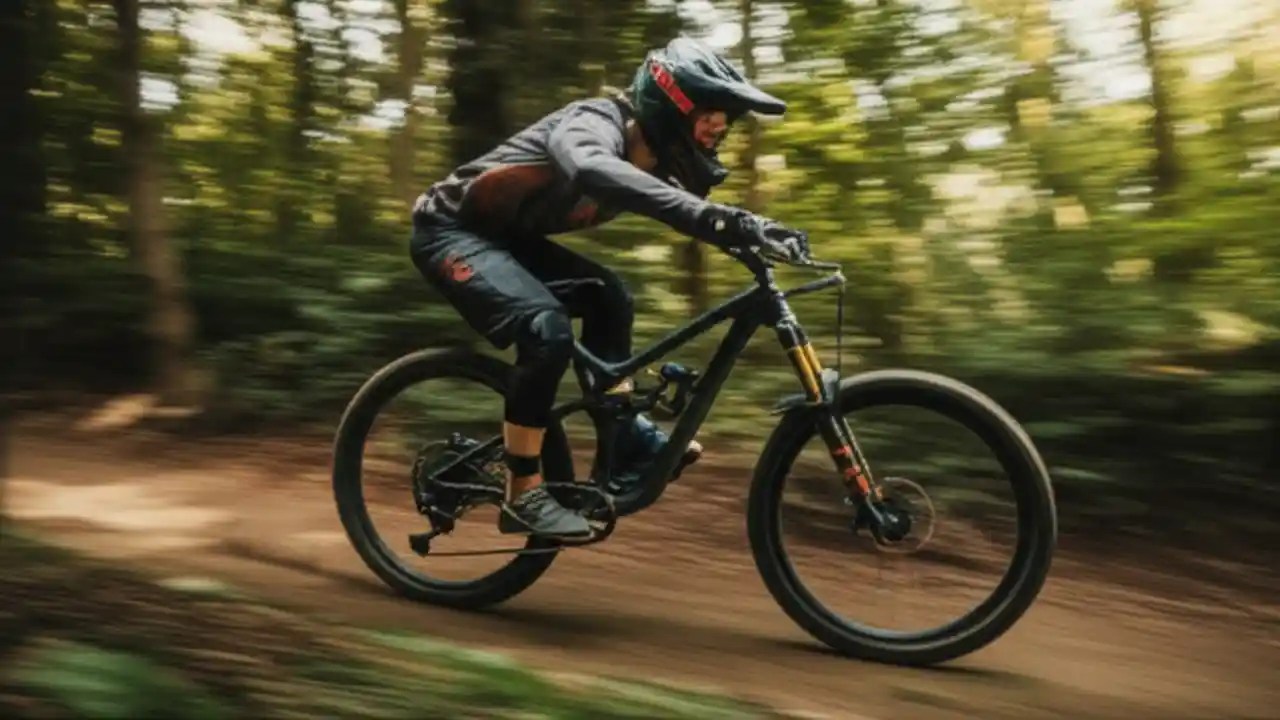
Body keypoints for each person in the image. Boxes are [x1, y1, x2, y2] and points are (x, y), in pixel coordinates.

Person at [409, 36, 810, 540]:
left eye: (727, 115)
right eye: (712, 110)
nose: (721, 125)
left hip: (505, 238)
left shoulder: (658, 162)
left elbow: (685, 211)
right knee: (547, 330)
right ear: (672, 102)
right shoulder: (594, 123)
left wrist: (755, 233)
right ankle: (524, 492)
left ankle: (621, 439)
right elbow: (591, 167)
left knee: (608, 295)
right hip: (448, 231)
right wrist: (720, 220)